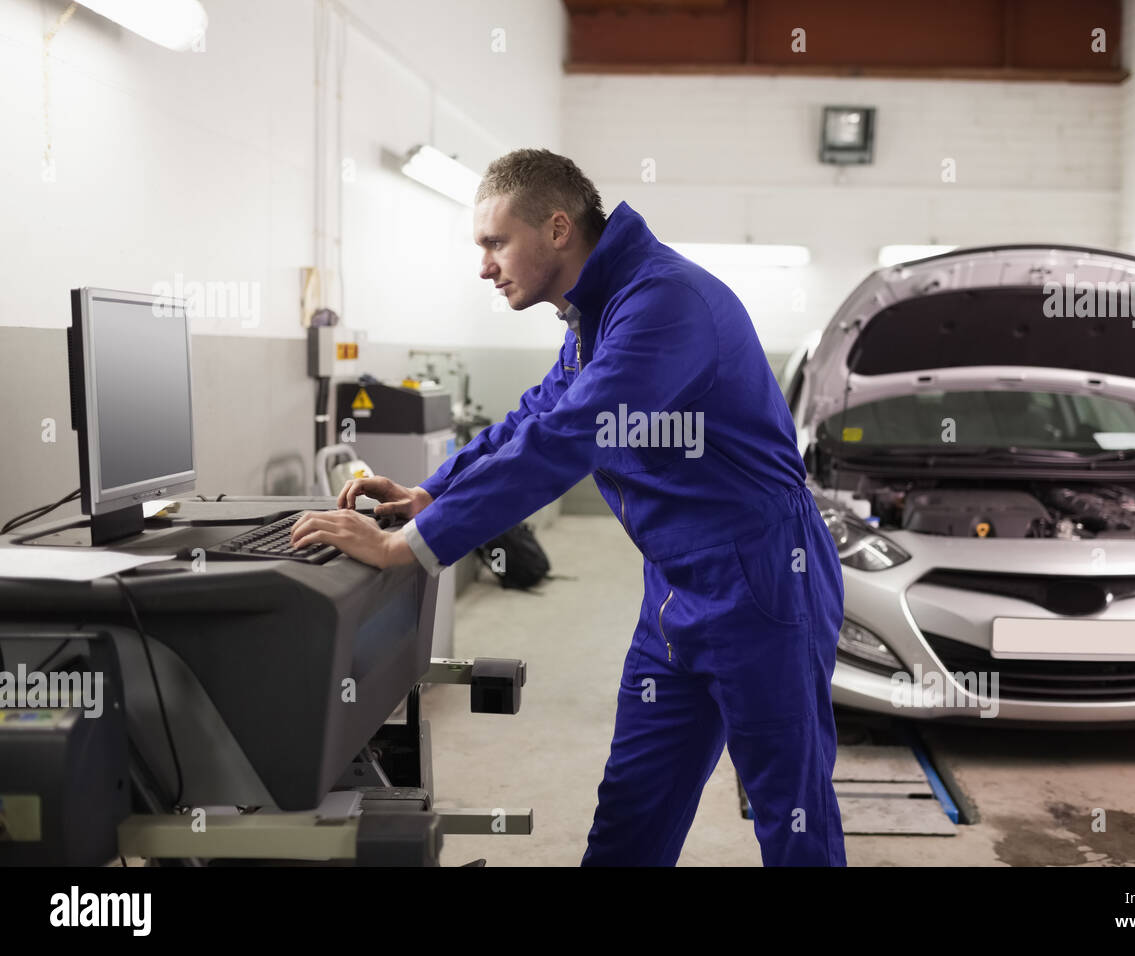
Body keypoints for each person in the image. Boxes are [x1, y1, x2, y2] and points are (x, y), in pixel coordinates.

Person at [290, 148, 846, 866]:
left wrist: (412, 544)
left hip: (765, 582)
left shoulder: (663, 305)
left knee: (790, 814)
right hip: (675, 589)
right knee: (632, 812)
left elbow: (567, 438)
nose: (484, 265)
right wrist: (434, 491)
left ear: (557, 228)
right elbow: (538, 413)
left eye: (495, 242)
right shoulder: (597, 313)